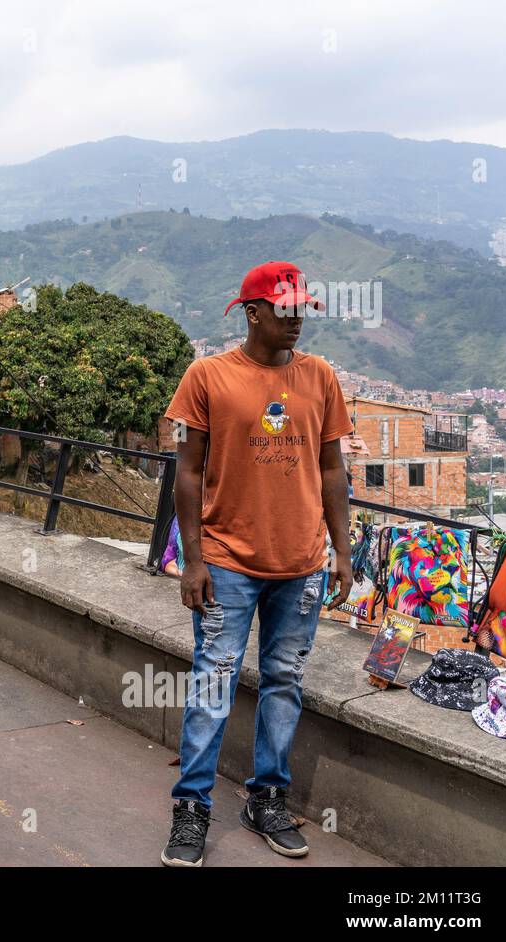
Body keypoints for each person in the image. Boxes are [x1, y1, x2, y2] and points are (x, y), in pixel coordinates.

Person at [160, 261, 353, 868]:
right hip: (227, 561)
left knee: (284, 682)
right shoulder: (208, 376)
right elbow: (186, 472)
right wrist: (193, 560)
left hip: (300, 562)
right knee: (214, 681)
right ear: (253, 313)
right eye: (285, 309)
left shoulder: (320, 376)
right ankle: (192, 807)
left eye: (302, 309)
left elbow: (330, 470)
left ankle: (267, 797)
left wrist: (342, 551)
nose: (297, 321)